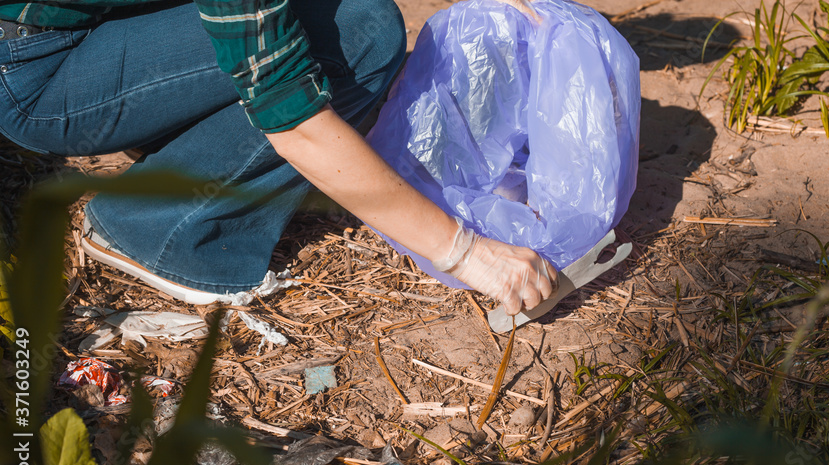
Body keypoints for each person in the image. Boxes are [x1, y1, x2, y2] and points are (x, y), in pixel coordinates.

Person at [0, 0, 555, 315]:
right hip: (39, 70)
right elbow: (292, 116)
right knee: (359, 34)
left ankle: (174, 133)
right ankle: (158, 225)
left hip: (79, 25)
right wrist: (466, 254)